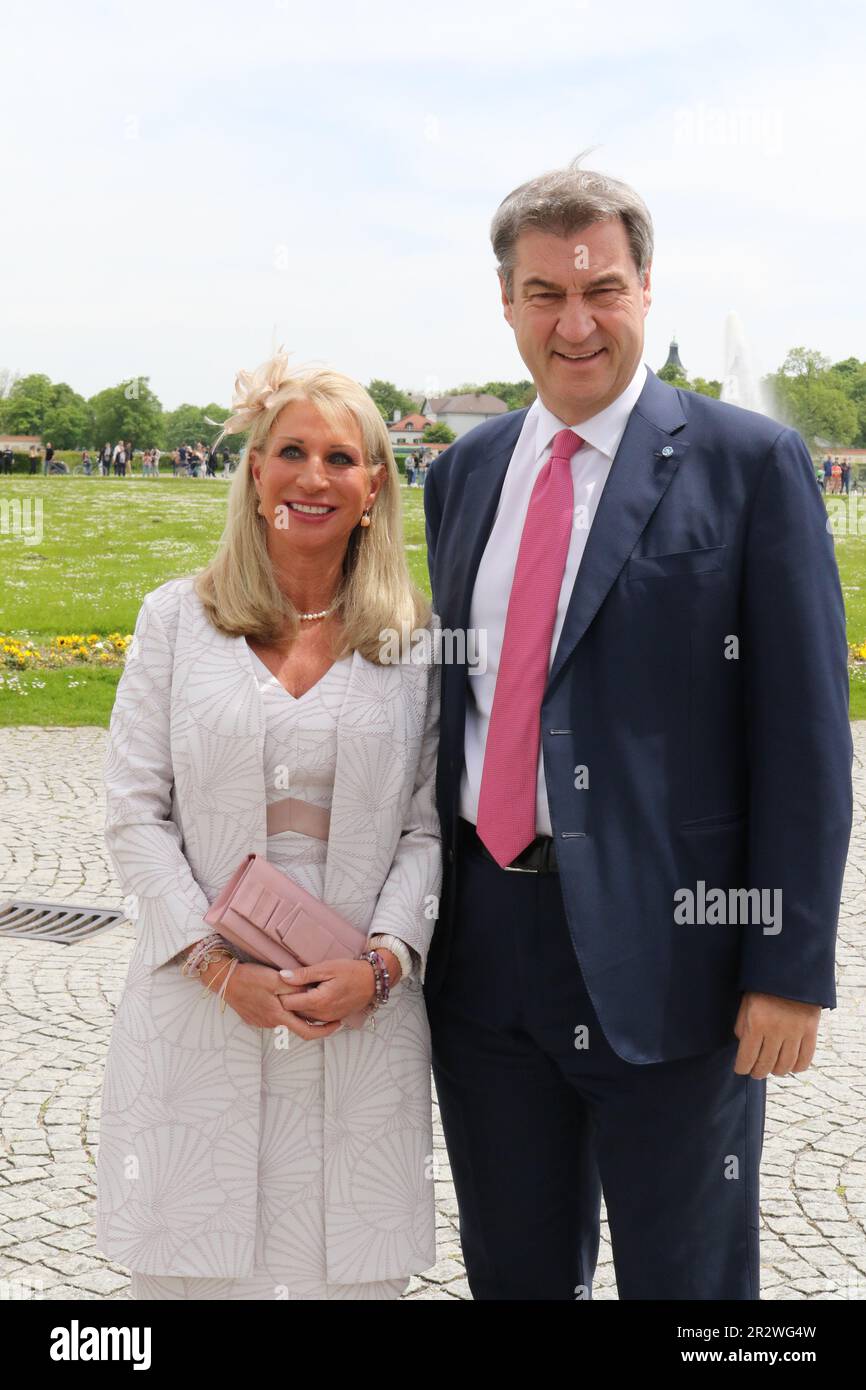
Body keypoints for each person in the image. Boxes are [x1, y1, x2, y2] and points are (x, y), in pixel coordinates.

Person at [422, 155, 852, 1301]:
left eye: (600, 288)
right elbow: (450, 705)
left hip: (676, 954)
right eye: (545, 293)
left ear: (645, 291)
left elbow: (805, 732)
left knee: (690, 1283)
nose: (575, 322)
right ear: (505, 301)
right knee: (512, 1273)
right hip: (486, 951)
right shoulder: (461, 474)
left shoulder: (747, 462)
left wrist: (786, 965)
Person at [95, 351, 441, 1300]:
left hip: (354, 1019)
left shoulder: (412, 639)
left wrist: (382, 963)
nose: (313, 476)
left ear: (374, 487)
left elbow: (428, 829)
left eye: (342, 457)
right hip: (200, 1007)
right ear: (255, 474)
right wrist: (215, 965)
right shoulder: (176, 621)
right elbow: (133, 810)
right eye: (291, 450)